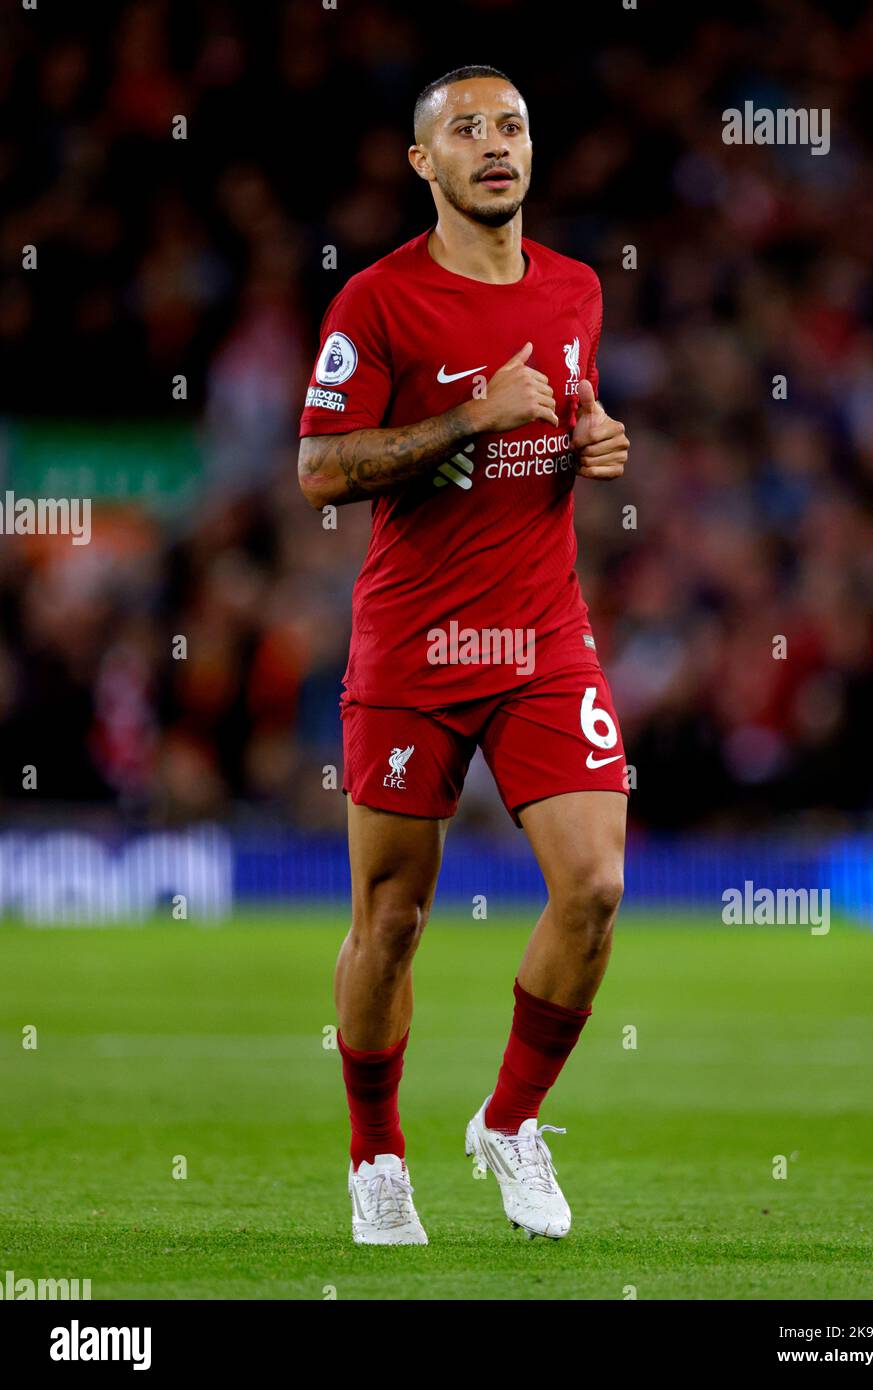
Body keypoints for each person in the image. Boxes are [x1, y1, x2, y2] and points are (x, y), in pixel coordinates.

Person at [297, 64, 630, 1244]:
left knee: (591, 886)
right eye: (467, 131)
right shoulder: (379, 304)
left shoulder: (578, 289)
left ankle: (507, 1121)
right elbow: (322, 469)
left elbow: (564, 400)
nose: (496, 146)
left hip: (542, 636)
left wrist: (587, 433)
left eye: (512, 127)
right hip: (412, 644)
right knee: (390, 919)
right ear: (422, 164)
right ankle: (375, 1154)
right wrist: (469, 418)